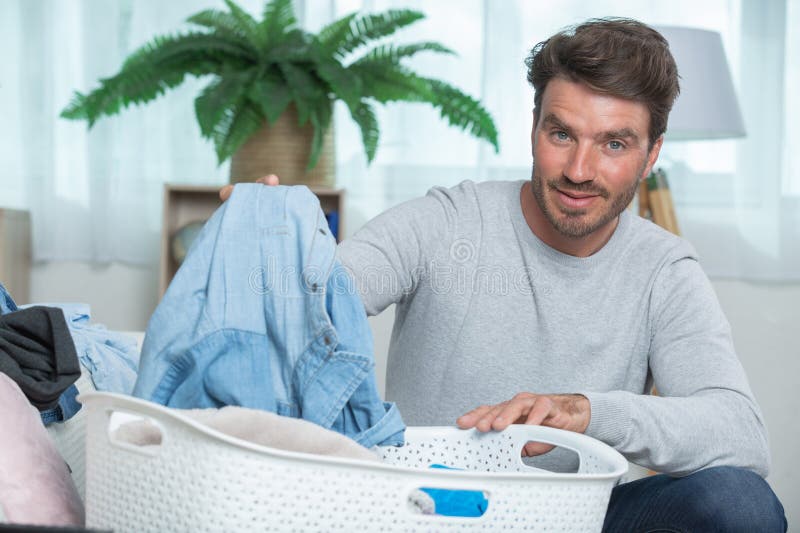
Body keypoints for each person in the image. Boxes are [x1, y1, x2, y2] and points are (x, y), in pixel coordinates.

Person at [221, 17, 786, 532]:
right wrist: (270, 251)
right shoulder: (448, 219)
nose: (579, 170)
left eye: (614, 144)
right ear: (534, 127)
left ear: (651, 153)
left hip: (578, 518)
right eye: (561, 134)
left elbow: (739, 433)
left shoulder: (664, 269)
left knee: (741, 503)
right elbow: (326, 294)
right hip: (426, 509)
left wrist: (585, 412)